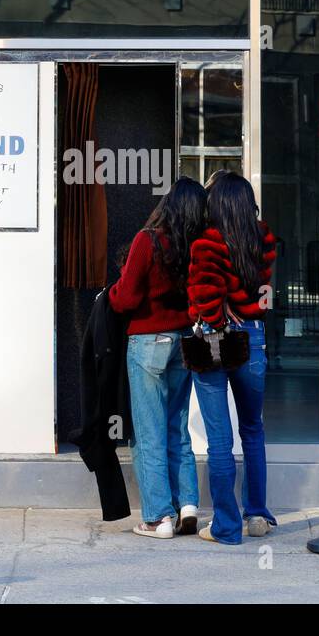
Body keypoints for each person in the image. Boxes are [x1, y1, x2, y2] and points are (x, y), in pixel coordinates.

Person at [108, 176, 206, 539]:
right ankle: (189, 506)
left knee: (148, 433)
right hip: (184, 342)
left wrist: (115, 288)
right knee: (177, 430)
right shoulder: (197, 246)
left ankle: (158, 518)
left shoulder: (147, 240)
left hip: (149, 343)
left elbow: (126, 299)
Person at [188, 172, 278, 544]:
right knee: (253, 430)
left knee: (219, 440)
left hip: (216, 341)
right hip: (254, 340)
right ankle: (257, 515)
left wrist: (219, 311)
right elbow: (263, 297)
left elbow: (202, 299)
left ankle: (226, 525)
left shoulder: (206, 242)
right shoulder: (263, 237)